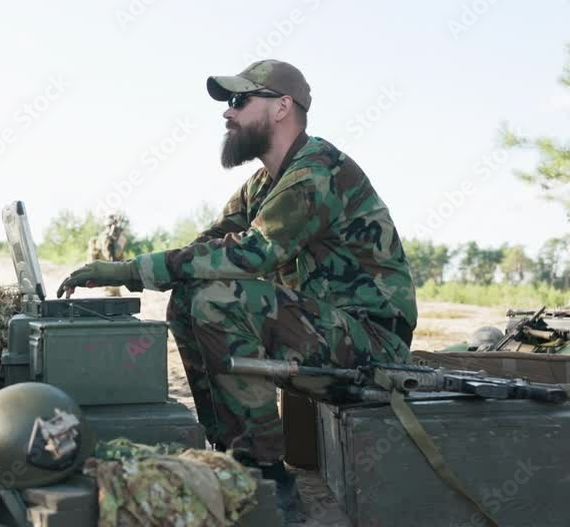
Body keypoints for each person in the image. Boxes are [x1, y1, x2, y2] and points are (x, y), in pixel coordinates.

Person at [57, 59, 417, 521]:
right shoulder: (264, 183)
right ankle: (229, 454)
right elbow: (207, 248)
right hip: (323, 337)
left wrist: (129, 271)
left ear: (282, 107)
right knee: (189, 294)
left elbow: (254, 253)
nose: (228, 113)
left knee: (219, 296)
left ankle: (267, 475)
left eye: (240, 100)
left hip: (373, 347)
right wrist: (138, 270)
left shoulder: (318, 170)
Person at [87, 214, 129, 296]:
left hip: (114, 280)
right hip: (105, 282)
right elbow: (108, 255)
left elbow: (121, 259)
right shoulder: (101, 239)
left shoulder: (119, 239)